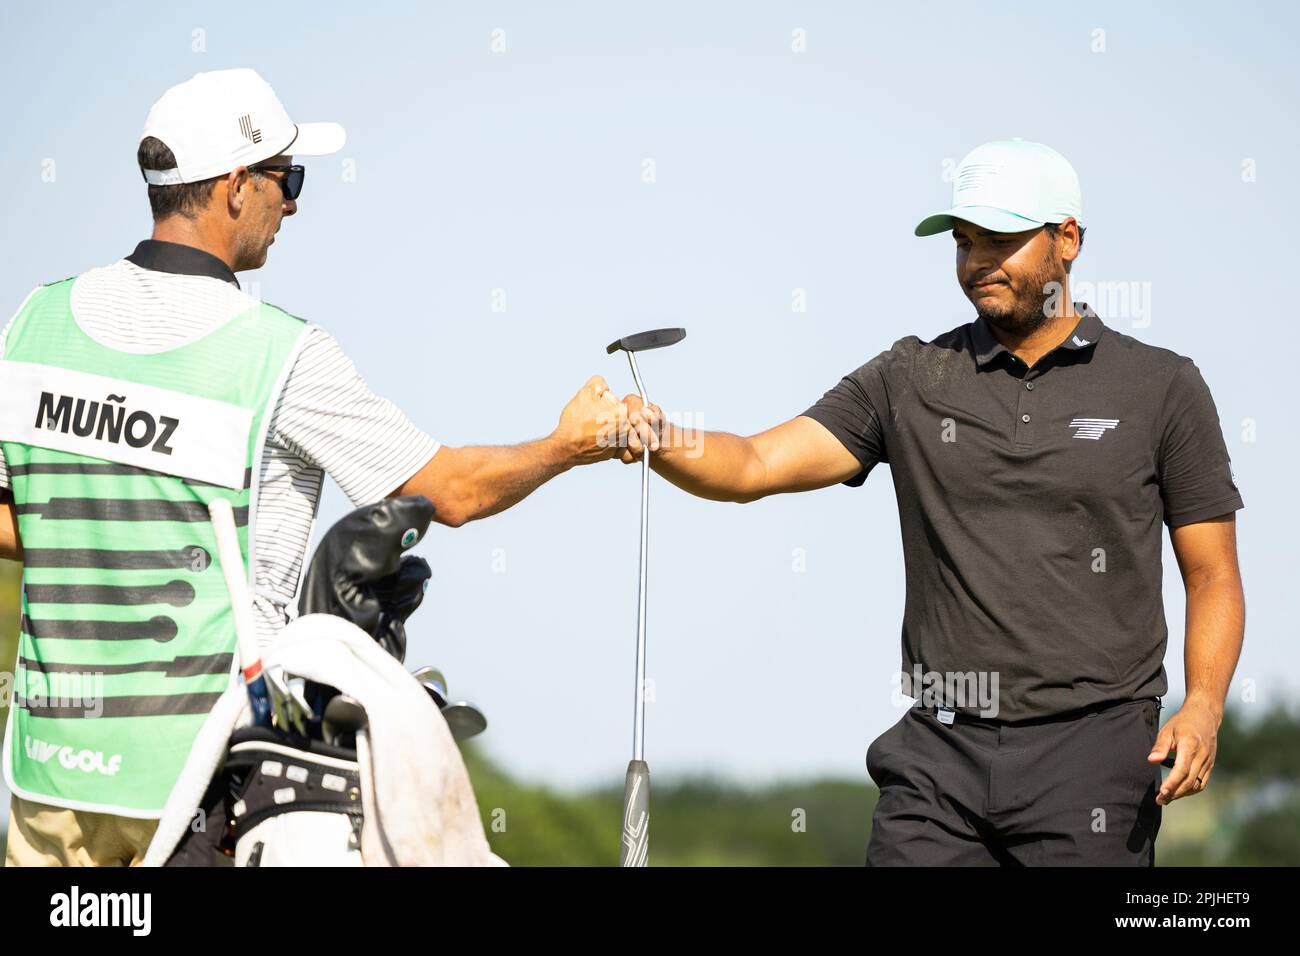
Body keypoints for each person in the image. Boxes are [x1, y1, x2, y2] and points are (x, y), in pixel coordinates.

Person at [0, 68, 626, 866]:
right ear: (234, 187)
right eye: (285, 179)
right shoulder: (279, 354)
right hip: (205, 776)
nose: (291, 202)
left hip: (52, 776)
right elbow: (453, 492)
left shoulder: (34, 322)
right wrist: (568, 443)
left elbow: (30, 515)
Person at [619, 140, 1246, 865]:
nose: (978, 262)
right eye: (964, 242)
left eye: (1002, 241)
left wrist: (1203, 706)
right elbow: (756, 463)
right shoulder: (909, 378)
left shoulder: (1162, 388)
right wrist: (662, 438)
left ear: (1067, 239)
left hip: (1095, 757)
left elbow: (1212, 575)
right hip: (937, 758)